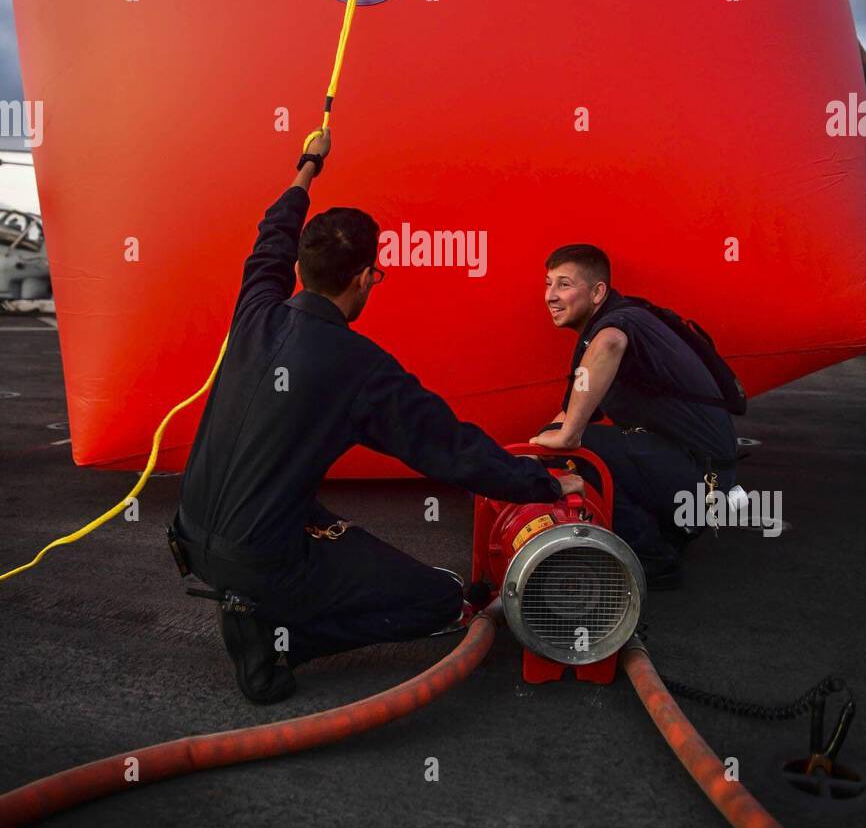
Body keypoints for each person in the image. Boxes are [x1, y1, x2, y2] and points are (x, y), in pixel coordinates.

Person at [170, 130, 582, 702]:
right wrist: (544, 483)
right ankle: (280, 641)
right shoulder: (358, 367)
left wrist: (307, 168)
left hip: (190, 535)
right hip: (260, 559)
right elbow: (451, 447)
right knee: (441, 600)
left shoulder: (255, 310)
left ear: (301, 267)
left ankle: (265, 601)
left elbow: (272, 237)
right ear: (365, 277)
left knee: (323, 524)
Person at [531, 244, 739, 589]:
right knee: (559, 440)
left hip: (702, 483)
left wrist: (564, 440)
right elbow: (568, 415)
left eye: (564, 284)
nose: (550, 296)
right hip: (696, 478)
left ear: (598, 292)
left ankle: (653, 558)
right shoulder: (619, 321)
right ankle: (668, 533)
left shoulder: (615, 325)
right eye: (548, 284)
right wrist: (532, 450)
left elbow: (611, 343)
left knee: (579, 450)